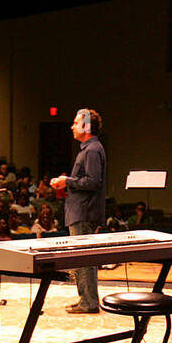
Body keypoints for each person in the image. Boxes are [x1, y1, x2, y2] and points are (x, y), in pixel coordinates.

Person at [50, 109, 105, 313]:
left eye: (75, 123)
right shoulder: (88, 149)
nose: (72, 126)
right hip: (80, 209)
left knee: (84, 259)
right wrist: (66, 183)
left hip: (84, 211)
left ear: (86, 126)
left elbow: (92, 182)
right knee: (81, 258)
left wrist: (67, 181)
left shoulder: (91, 150)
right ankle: (85, 299)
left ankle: (89, 302)